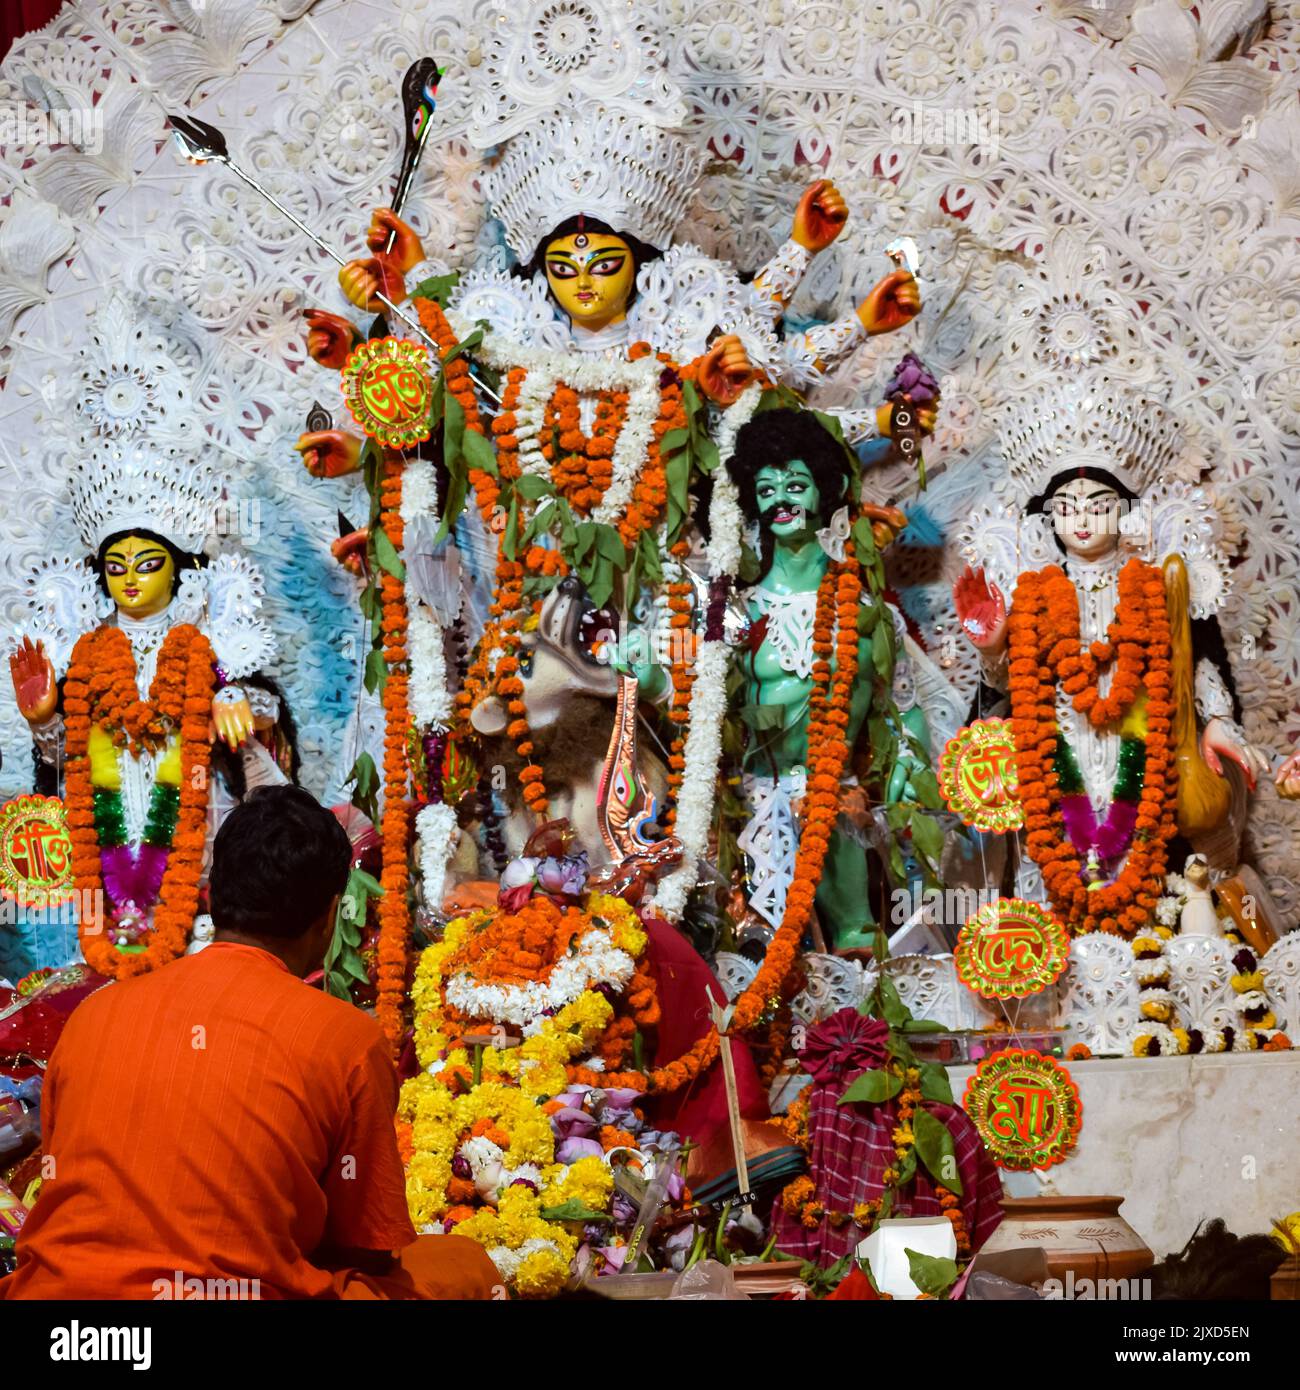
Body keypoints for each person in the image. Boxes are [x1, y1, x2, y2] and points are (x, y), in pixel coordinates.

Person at [0, 785, 498, 1301]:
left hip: (62, 1308)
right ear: (330, 916)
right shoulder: (347, 1039)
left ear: (212, 898)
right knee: (462, 1266)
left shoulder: (93, 1014)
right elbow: (366, 1249)